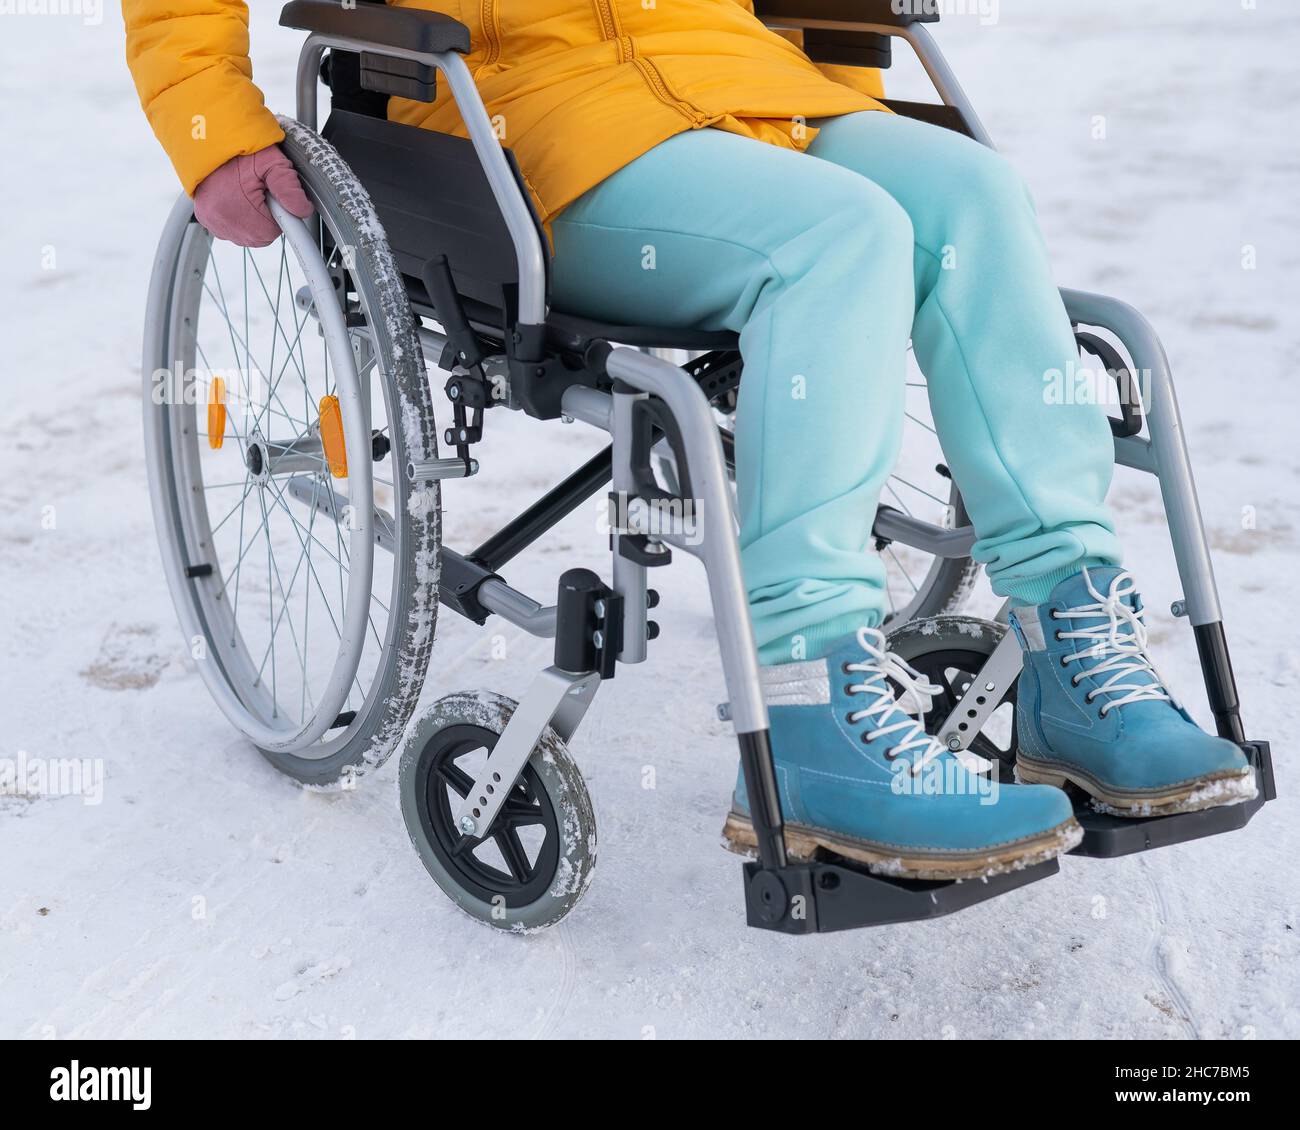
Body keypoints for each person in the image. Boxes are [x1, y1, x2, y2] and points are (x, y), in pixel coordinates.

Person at [123, 0, 1256, 880]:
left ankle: (1070, 642)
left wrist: (837, 61)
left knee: (969, 195)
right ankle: (813, 710)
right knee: (842, 238)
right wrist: (214, 127)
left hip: (739, 84)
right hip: (512, 126)